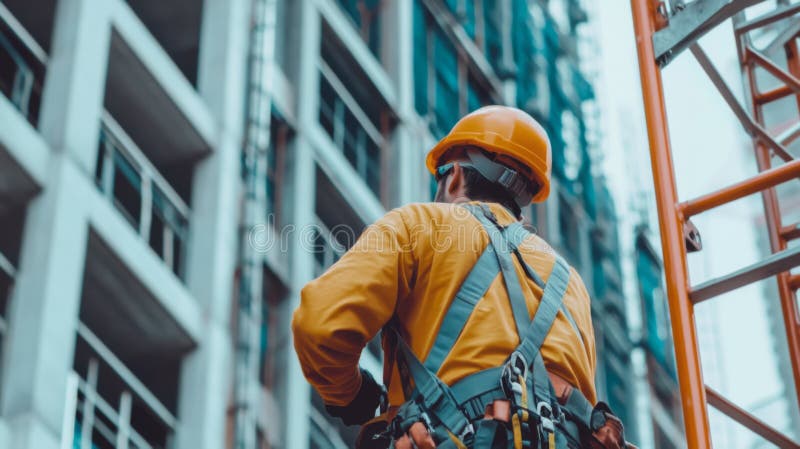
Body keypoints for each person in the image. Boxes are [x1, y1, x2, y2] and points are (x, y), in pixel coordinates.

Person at [293, 106, 634, 449]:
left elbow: (320, 325)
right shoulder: (570, 282)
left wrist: (352, 394)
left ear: (454, 175)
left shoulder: (422, 224)